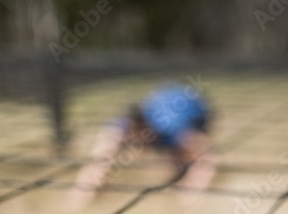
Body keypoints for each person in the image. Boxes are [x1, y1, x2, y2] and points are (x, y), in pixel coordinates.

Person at [71, 83, 215, 207]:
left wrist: (188, 197)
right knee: (105, 155)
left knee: (180, 161)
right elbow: (98, 160)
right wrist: (82, 195)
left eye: (134, 135)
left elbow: (206, 160)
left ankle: (177, 185)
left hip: (194, 107)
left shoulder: (173, 129)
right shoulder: (119, 128)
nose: (130, 141)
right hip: (163, 102)